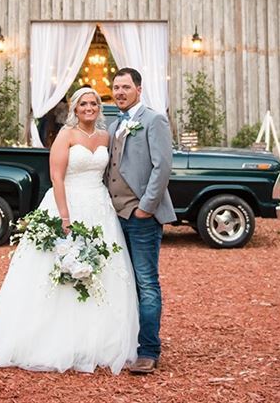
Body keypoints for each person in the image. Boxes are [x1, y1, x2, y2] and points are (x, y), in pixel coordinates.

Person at [0, 87, 139, 373]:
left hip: (100, 207)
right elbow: (57, 178)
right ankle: (48, 339)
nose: (89, 108)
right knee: (54, 271)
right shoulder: (66, 136)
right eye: (84, 104)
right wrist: (65, 217)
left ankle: (98, 339)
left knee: (104, 270)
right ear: (75, 108)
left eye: (94, 103)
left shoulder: (106, 137)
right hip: (67, 204)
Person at [106, 67, 175, 375]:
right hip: (113, 216)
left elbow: (162, 167)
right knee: (120, 283)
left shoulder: (154, 120)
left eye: (125, 87)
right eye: (116, 87)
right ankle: (121, 342)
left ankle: (148, 349)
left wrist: (145, 208)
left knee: (146, 282)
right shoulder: (113, 125)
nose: (119, 92)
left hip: (140, 216)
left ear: (138, 89)